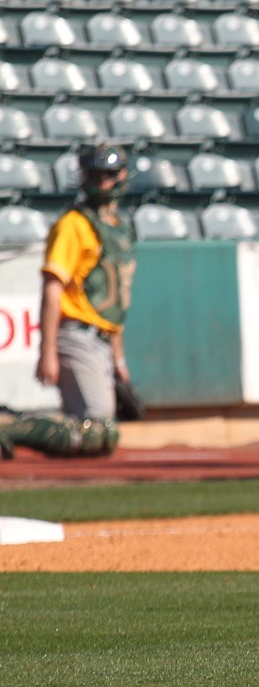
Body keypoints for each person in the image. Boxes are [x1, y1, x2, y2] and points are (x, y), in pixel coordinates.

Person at [0, 144, 136, 460]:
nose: (103, 182)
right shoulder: (74, 224)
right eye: (96, 174)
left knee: (99, 435)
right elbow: (52, 288)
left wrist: (119, 359)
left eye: (110, 174)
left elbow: (115, 303)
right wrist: (46, 351)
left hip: (101, 339)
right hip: (76, 333)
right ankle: (8, 427)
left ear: (123, 175)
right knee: (97, 431)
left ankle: (11, 423)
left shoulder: (122, 229)